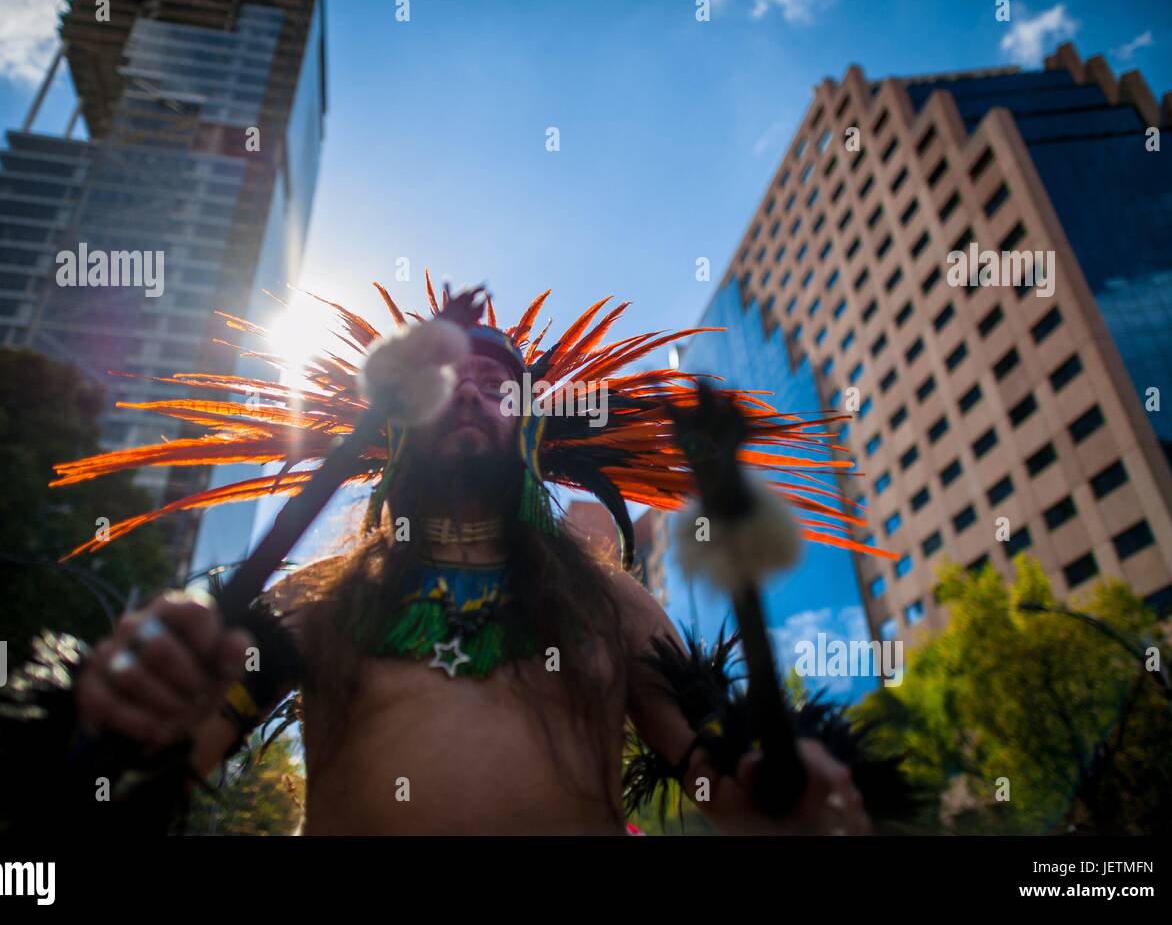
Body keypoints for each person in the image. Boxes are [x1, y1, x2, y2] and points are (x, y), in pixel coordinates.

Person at [59, 280, 876, 834]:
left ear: (525, 433)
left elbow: (716, 770)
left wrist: (781, 783)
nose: (474, 391)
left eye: (496, 383)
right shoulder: (314, 598)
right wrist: (131, 714)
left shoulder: (609, 602)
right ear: (394, 431)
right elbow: (168, 755)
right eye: (446, 379)